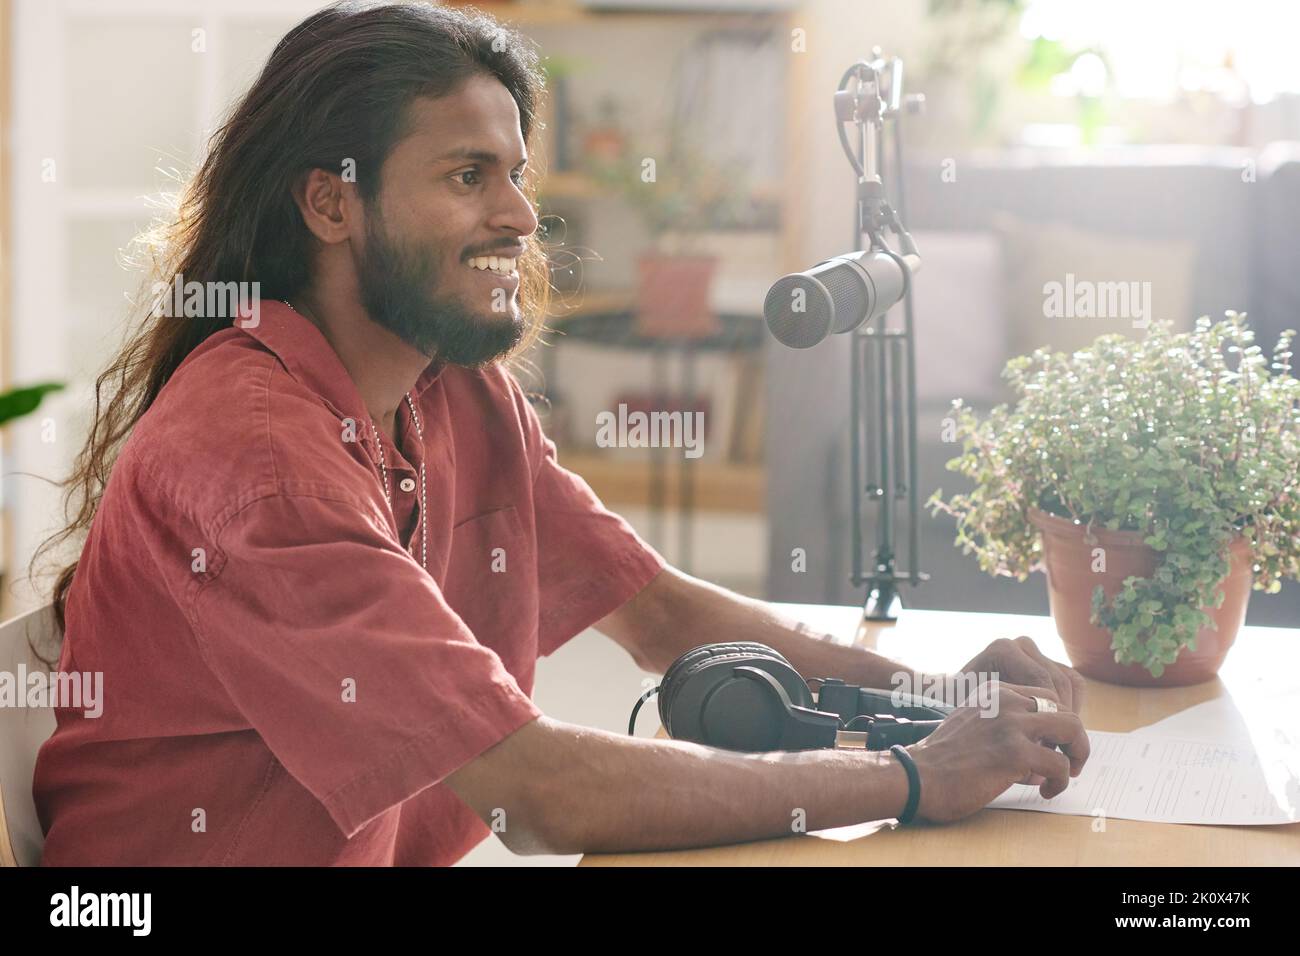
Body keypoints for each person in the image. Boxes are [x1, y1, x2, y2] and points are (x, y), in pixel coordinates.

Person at [31, 1, 1088, 866]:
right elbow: (538, 790)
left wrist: (947, 693)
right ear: (330, 205)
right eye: (465, 176)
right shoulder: (258, 464)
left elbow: (662, 610)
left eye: (517, 173)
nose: (521, 216)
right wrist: (915, 776)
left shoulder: (455, 393)